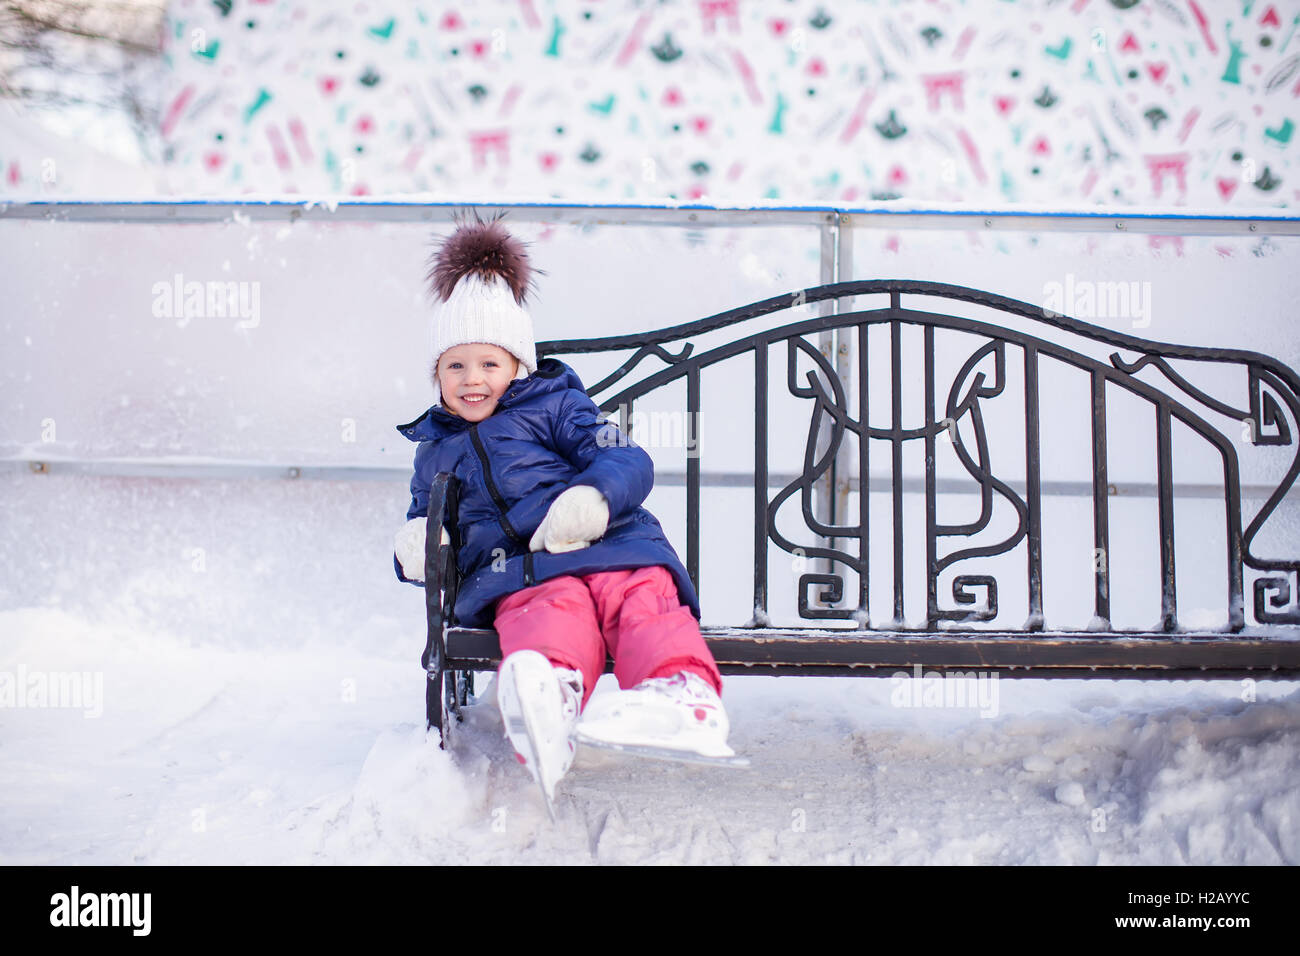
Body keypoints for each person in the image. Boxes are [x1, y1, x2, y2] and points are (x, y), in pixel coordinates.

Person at [393, 210, 732, 803]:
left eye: (489, 363)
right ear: (436, 374)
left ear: (518, 366)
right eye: (455, 365)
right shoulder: (434, 451)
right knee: (549, 610)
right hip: (522, 572)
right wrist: (418, 543)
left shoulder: (556, 407)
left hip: (614, 543)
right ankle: (549, 692)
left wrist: (593, 497)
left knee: (639, 600)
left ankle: (680, 693)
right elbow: (425, 519)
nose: (472, 380)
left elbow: (625, 457)